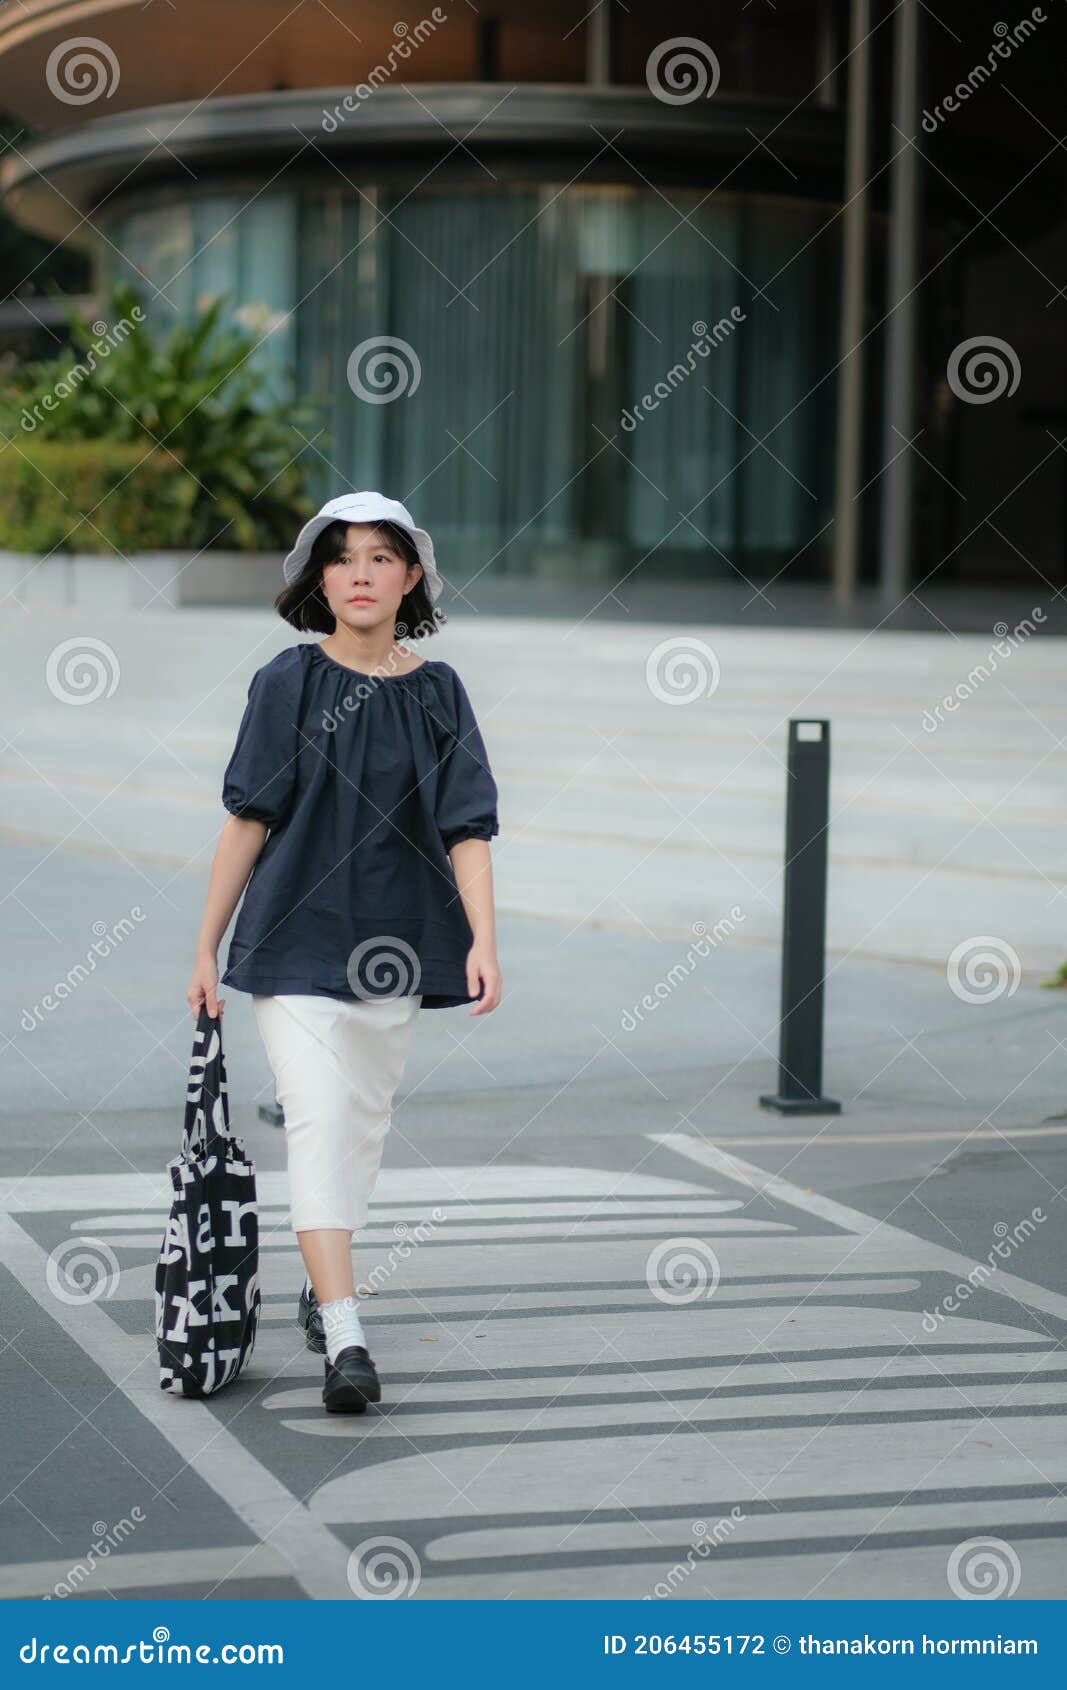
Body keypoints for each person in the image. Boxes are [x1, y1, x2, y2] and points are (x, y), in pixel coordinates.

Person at [186, 491, 502, 1415]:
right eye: (342, 558)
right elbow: (249, 816)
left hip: (398, 951)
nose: (360, 573)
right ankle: (347, 1333)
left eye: (379, 557)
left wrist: (484, 938)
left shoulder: (438, 692)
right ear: (317, 580)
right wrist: (204, 945)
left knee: (360, 1125)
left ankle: (322, 1287)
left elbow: (467, 828)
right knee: (321, 1118)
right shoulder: (286, 682)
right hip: (292, 942)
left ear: (411, 579)